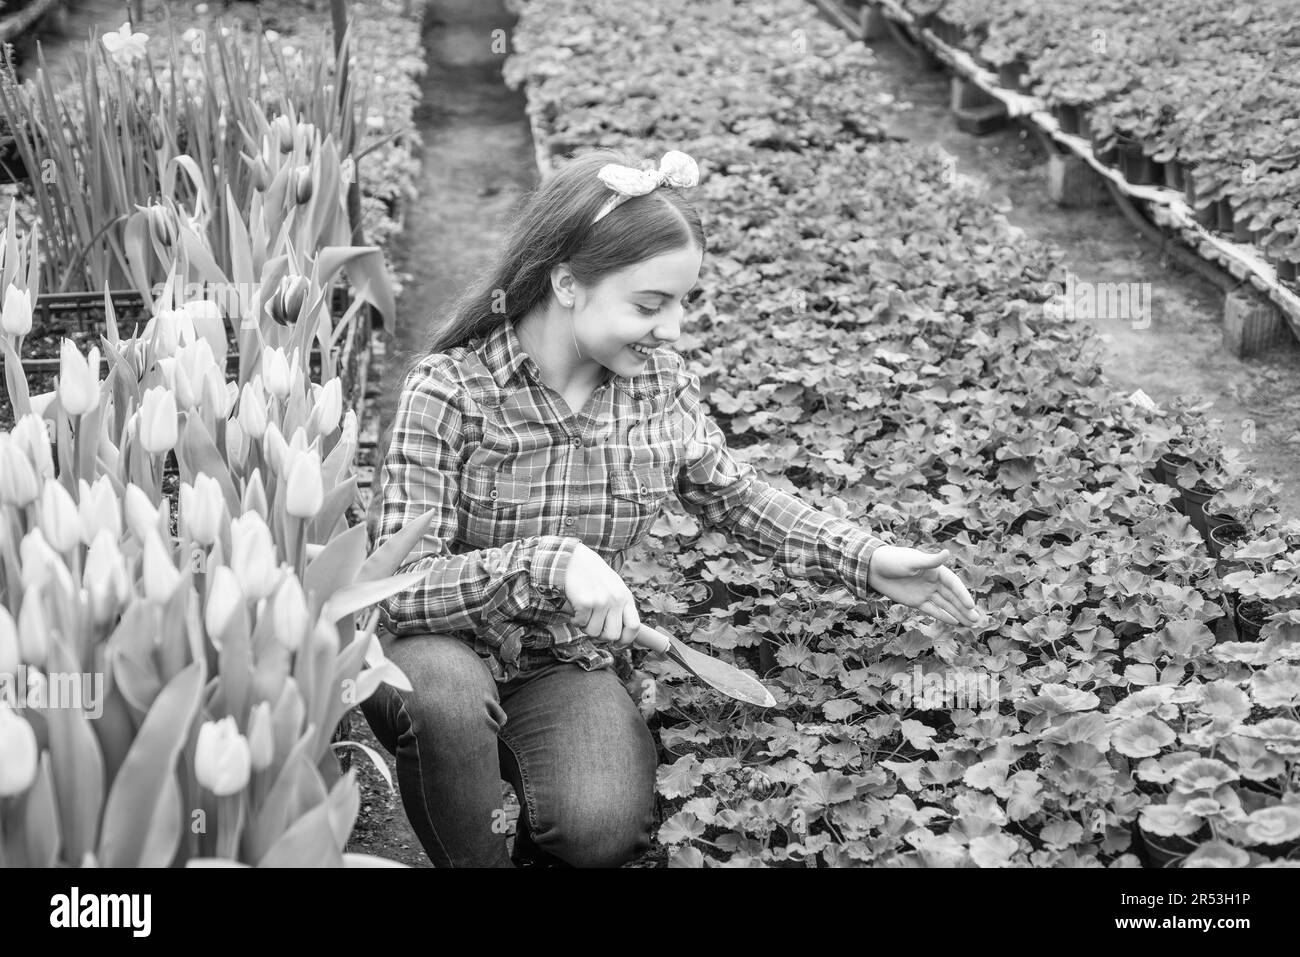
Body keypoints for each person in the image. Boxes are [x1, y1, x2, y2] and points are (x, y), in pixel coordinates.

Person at [361, 147, 983, 868]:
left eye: (682, 303)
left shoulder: (657, 386)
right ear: (567, 283)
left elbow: (736, 496)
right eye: (650, 306)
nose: (674, 329)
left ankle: (495, 771)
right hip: (440, 646)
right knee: (443, 696)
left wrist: (869, 558)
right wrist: (548, 560)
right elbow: (401, 589)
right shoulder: (450, 389)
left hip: (562, 659)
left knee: (596, 829)